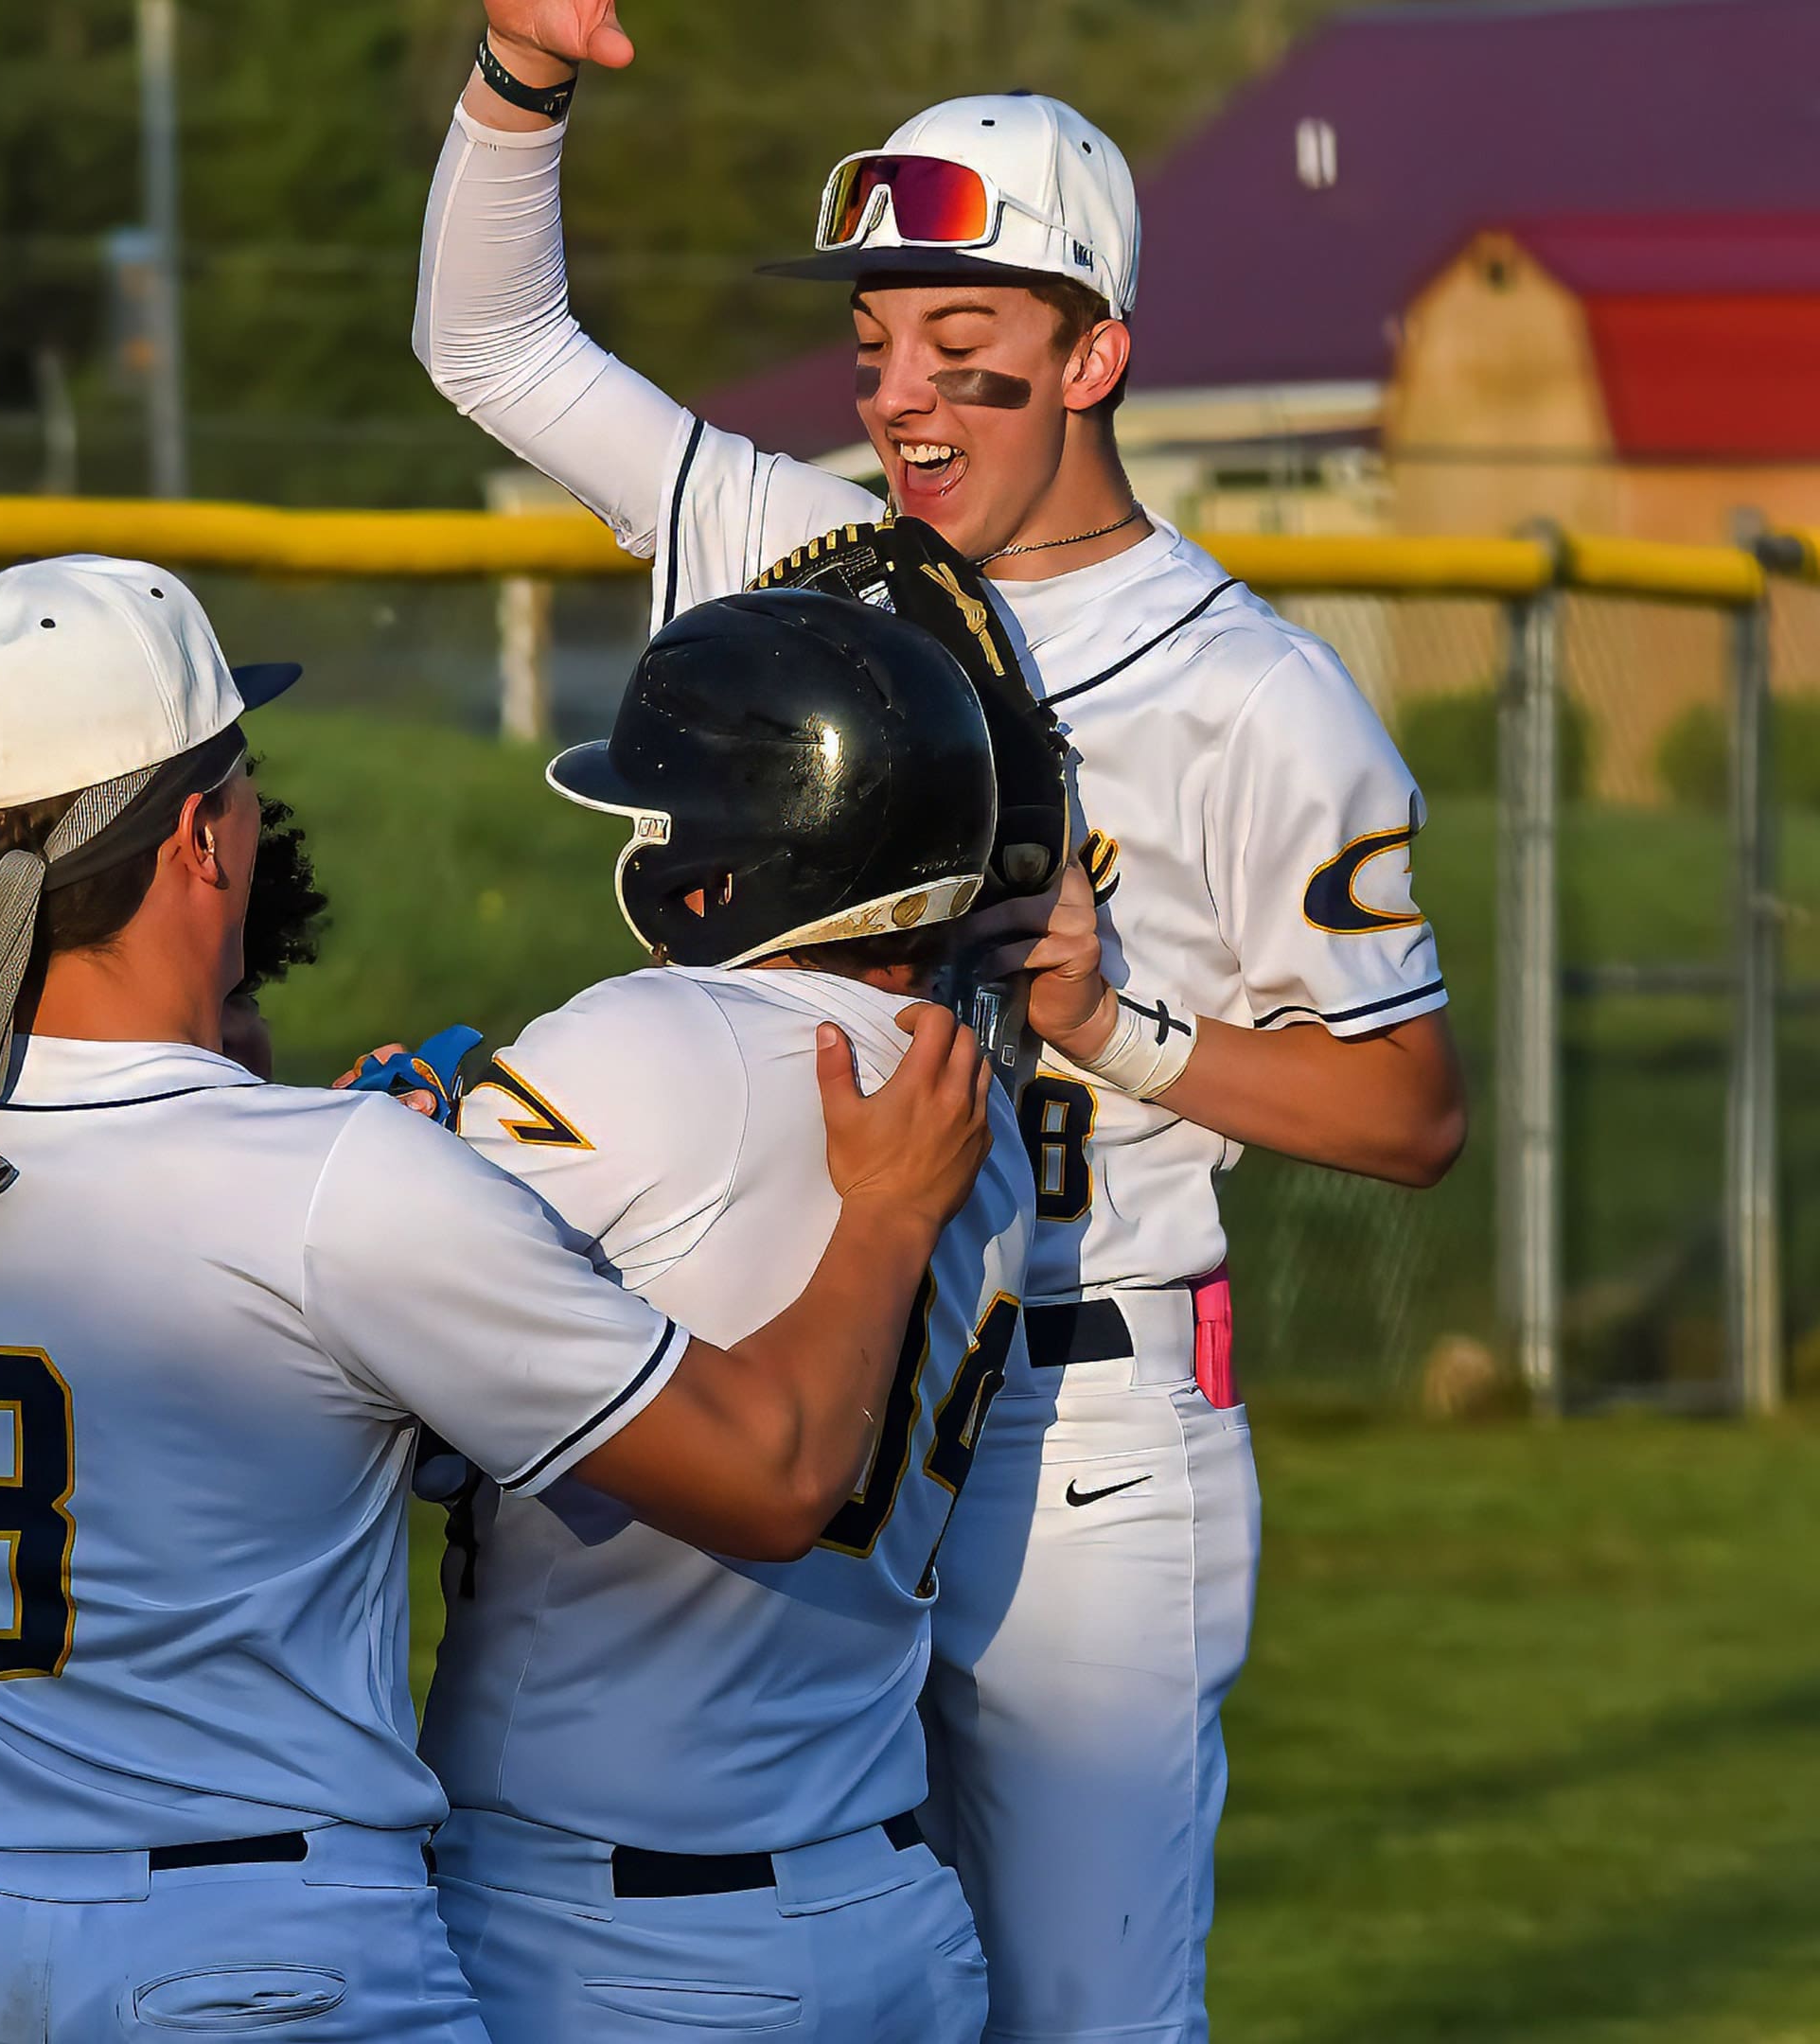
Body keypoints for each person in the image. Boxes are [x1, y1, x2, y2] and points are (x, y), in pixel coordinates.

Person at [417, 9, 1468, 2036]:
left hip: (1089, 1405)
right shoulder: (797, 555)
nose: (901, 395)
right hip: (804, 1371)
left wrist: (1125, 1028)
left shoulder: (1262, 695)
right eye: (878, 340)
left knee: (1081, 2011)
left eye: (964, 349)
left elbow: (1411, 1111)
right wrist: (518, 77)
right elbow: (495, 350)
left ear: (1096, 355)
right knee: (820, 1974)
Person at [0, 553, 996, 2044]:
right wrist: (886, 1212)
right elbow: (772, 1478)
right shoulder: (336, 1185)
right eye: (241, 784)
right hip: (255, 1957)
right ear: (199, 840)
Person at [416, 590, 1038, 2043]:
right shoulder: (979, 1118)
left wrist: (384, 1146)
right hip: (889, 1908)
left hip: (609, 1937)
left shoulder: (643, 1043)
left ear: (722, 868)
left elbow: (373, 1393)